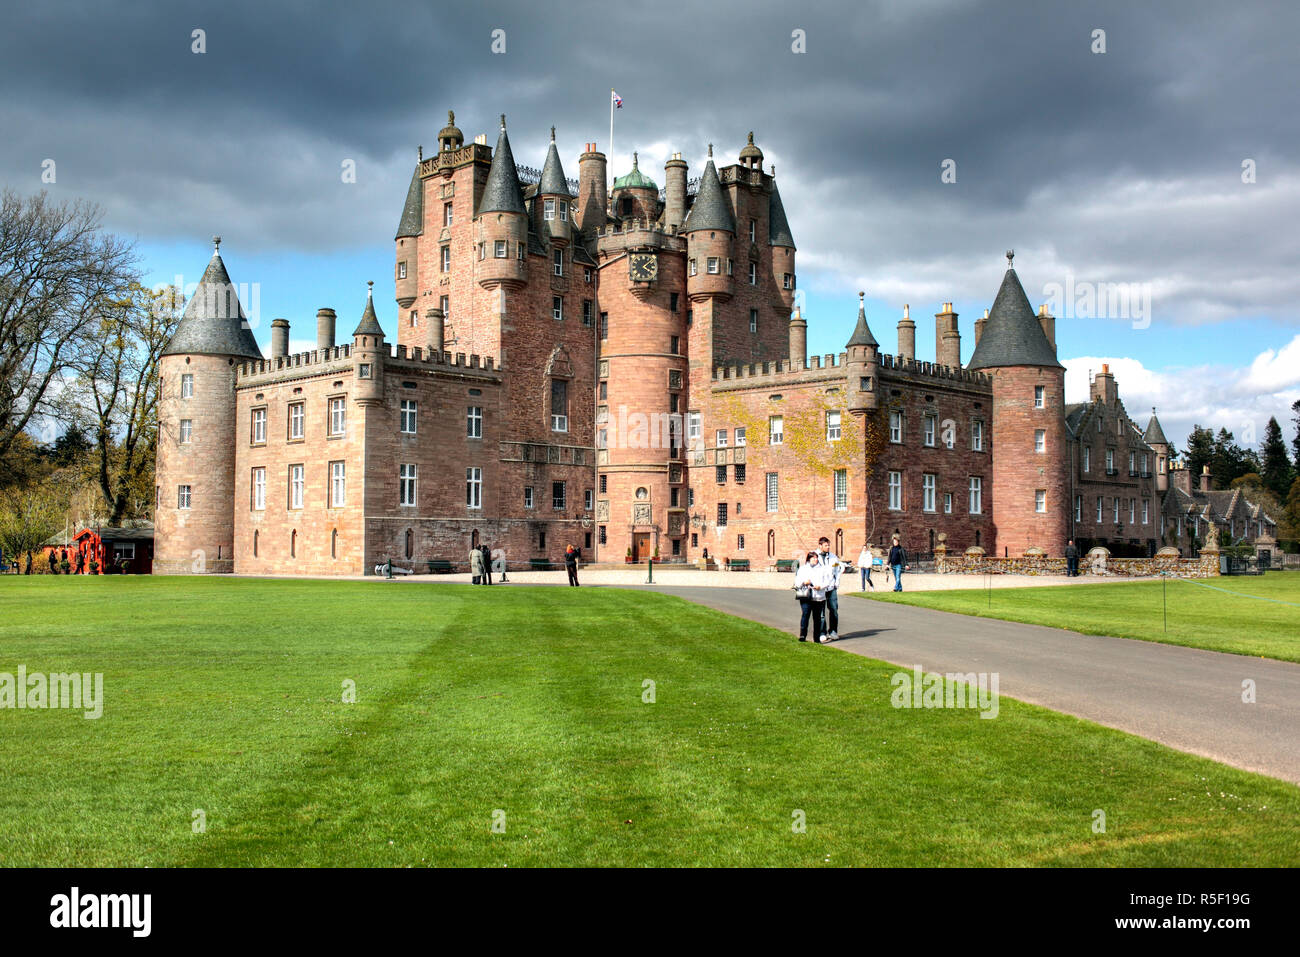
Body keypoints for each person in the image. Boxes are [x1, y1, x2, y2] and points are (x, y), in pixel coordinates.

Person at [794, 551, 834, 643]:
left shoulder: (823, 569)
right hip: (806, 595)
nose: (815, 560)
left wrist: (820, 586)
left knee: (817, 618)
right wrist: (804, 582)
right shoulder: (803, 569)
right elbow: (797, 581)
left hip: (819, 597)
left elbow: (828, 581)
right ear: (809, 559)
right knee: (805, 615)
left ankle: (816, 638)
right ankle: (803, 635)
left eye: (816, 558)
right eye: (813, 558)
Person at [815, 537, 842, 640]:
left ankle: (833, 631)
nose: (828, 547)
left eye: (829, 545)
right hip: (820, 588)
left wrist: (837, 582)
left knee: (834, 609)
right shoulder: (814, 556)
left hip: (831, 587)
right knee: (821, 612)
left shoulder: (833, 557)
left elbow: (837, 570)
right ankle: (822, 632)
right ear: (820, 545)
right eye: (826, 545)